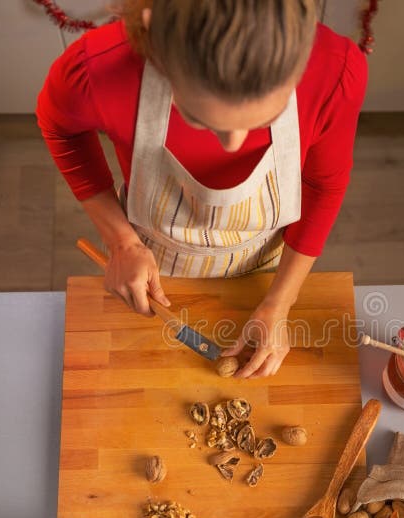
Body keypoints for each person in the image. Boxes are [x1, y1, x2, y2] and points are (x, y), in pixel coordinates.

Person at [37, 0, 367, 378]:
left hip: (265, 263)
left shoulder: (335, 69)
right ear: (156, 40)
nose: (232, 144)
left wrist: (280, 302)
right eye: (199, 119)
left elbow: (324, 184)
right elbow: (60, 128)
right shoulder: (98, 69)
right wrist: (121, 242)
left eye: (264, 118)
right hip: (152, 258)